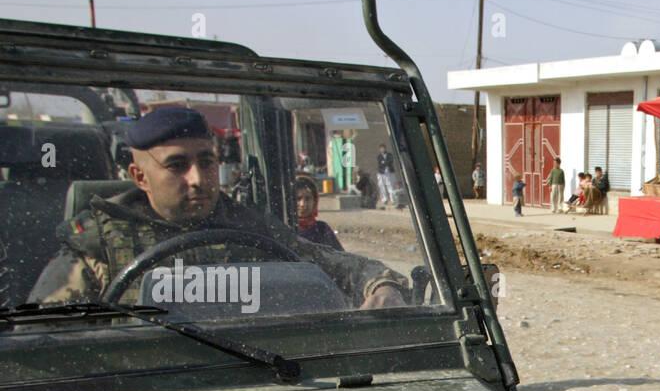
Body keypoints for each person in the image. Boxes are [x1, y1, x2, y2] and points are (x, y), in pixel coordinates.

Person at [28, 107, 406, 309]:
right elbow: (45, 343)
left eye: (206, 162)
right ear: (139, 176)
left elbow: (333, 264)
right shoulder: (98, 244)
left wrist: (383, 284)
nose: (198, 178)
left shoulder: (248, 227)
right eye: (177, 166)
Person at [294, 176, 343, 251]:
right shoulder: (285, 229)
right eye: (298, 199)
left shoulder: (322, 229)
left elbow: (339, 257)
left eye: (308, 198)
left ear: (315, 201)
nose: (303, 204)